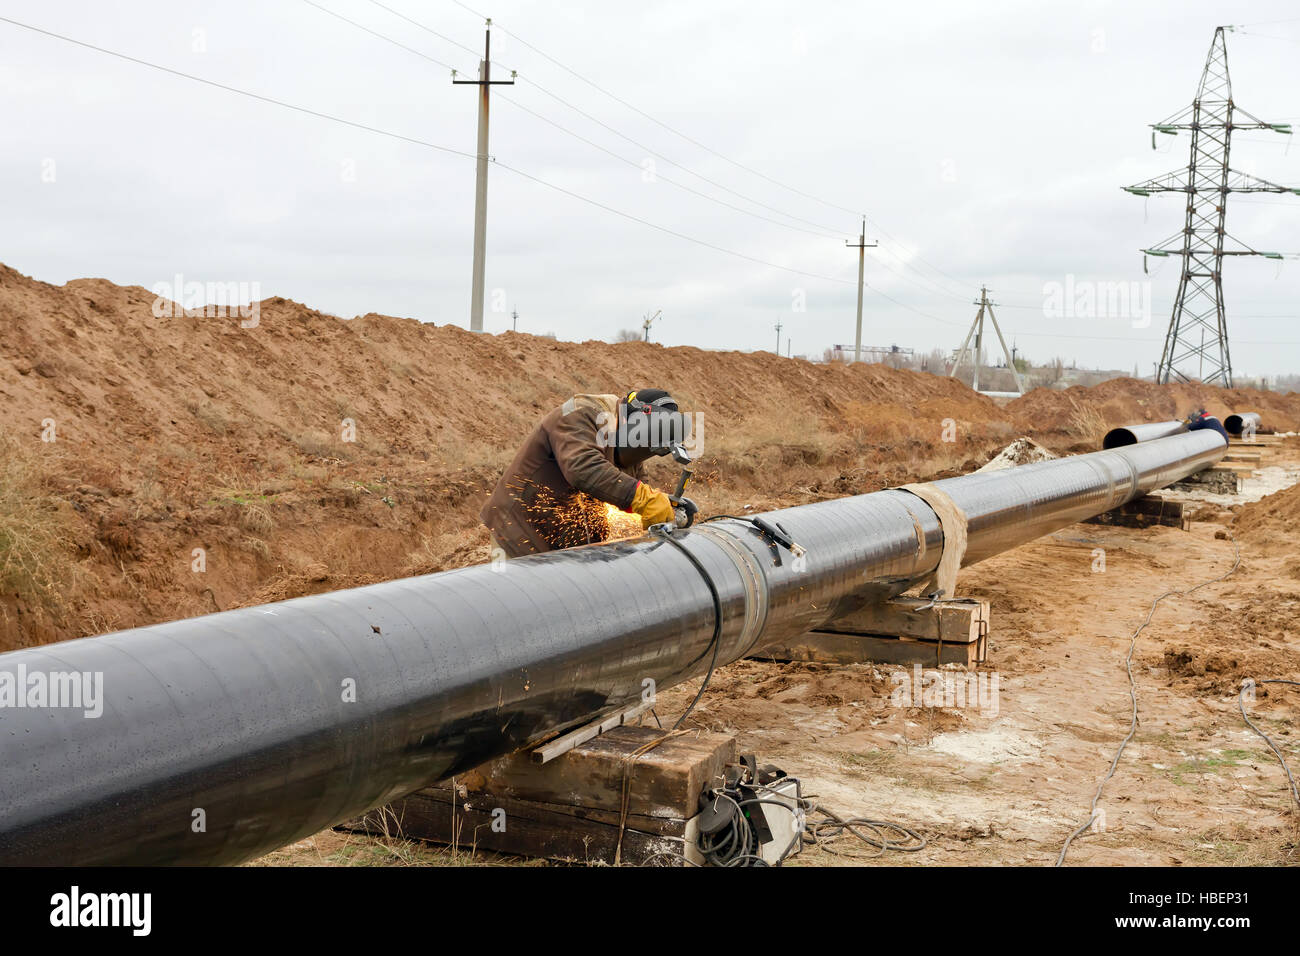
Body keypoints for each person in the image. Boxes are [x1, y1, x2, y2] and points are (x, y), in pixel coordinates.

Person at [481, 388, 688, 558]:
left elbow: (635, 487)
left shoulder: (627, 443)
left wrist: (666, 506)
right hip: (520, 534)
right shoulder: (580, 414)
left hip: (565, 543)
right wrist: (643, 498)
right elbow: (583, 468)